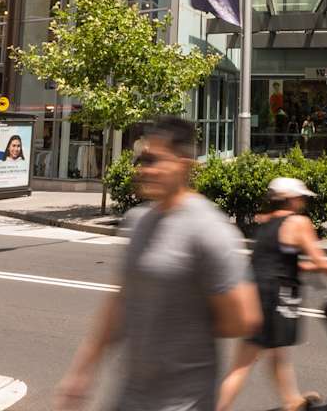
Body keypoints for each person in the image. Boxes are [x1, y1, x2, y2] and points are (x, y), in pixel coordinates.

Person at [55, 116, 259, 411]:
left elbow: (244, 318)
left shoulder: (209, 229)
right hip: (128, 397)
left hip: (183, 402)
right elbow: (120, 300)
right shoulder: (138, 221)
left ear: (185, 164)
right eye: (142, 159)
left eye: (154, 160)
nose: (144, 170)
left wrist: (186, 321)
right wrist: (82, 369)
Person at [217, 177, 327, 411]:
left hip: (255, 290)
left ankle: (291, 400)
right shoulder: (298, 223)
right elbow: (320, 260)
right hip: (273, 296)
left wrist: (312, 268)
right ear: (290, 199)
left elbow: (283, 262)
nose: (302, 202)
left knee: (277, 351)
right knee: (244, 362)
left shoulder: (266, 222)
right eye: (300, 197)